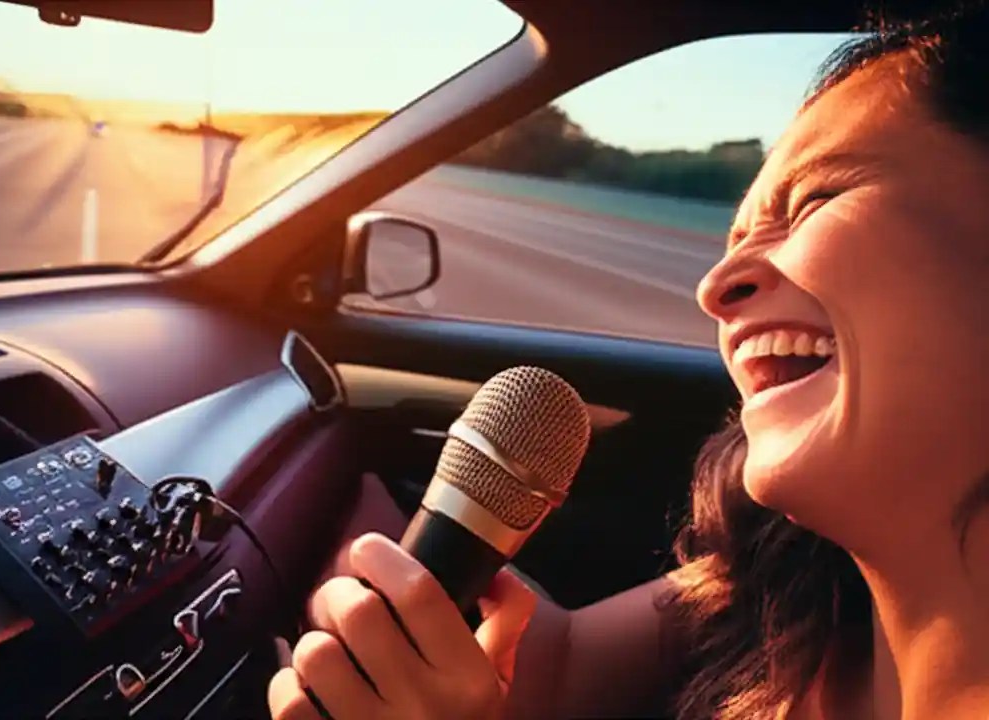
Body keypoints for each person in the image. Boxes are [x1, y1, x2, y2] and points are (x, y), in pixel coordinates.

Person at [266, 3, 989, 719]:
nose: (715, 287)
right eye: (732, 238)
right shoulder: (790, 583)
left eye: (812, 200)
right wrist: (331, 506)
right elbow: (556, 666)